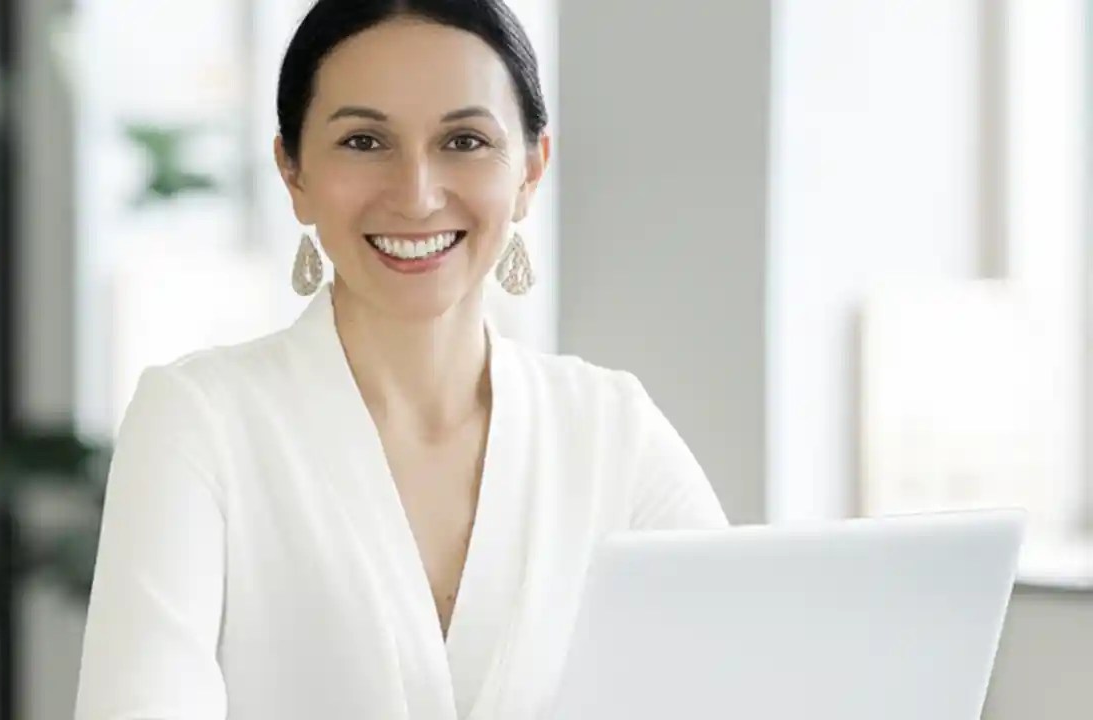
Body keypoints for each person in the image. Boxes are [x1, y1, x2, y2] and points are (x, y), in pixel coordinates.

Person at [73, 1, 728, 718]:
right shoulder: (198, 424)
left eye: (466, 141)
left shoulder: (613, 433)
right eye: (363, 141)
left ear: (532, 171)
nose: (416, 195)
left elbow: (746, 674)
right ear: (292, 173)